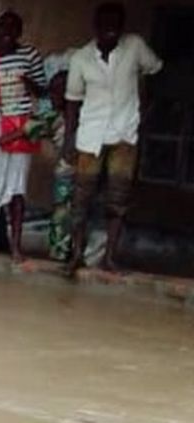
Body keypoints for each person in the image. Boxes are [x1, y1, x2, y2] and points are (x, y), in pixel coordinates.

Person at [63, 2, 163, 275]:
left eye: (115, 24)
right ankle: (77, 254)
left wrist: (145, 107)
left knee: (118, 201)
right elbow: (72, 101)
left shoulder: (135, 47)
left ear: (122, 26)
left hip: (124, 136)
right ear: (95, 27)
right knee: (81, 200)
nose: (110, 29)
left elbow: (155, 70)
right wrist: (69, 139)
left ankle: (109, 258)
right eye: (105, 24)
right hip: (90, 137)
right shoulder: (81, 58)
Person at [0, 65, 73, 262]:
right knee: (64, 211)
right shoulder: (50, 113)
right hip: (68, 167)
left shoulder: (79, 112)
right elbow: (21, 131)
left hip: (81, 165)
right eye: (51, 90)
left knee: (71, 211)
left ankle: (71, 252)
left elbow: (22, 131)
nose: (52, 95)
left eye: (57, 91)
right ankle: (63, 254)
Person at [0, 10, 46, 263]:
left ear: (20, 32)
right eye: (3, 27)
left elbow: (43, 91)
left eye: (13, 27)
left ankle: (15, 247)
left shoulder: (30, 55)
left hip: (21, 124)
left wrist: (28, 83)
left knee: (17, 189)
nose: (8, 32)